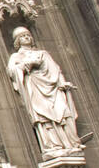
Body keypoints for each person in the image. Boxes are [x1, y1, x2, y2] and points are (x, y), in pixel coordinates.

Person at [6, 27, 82, 157]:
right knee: (44, 117)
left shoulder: (43, 53)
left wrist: (62, 83)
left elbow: (56, 71)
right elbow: (12, 71)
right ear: (17, 41)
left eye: (28, 35)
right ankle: (53, 146)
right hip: (35, 88)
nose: (27, 38)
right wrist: (28, 64)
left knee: (62, 111)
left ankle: (70, 143)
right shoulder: (16, 56)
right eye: (23, 36)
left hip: (52, 88)